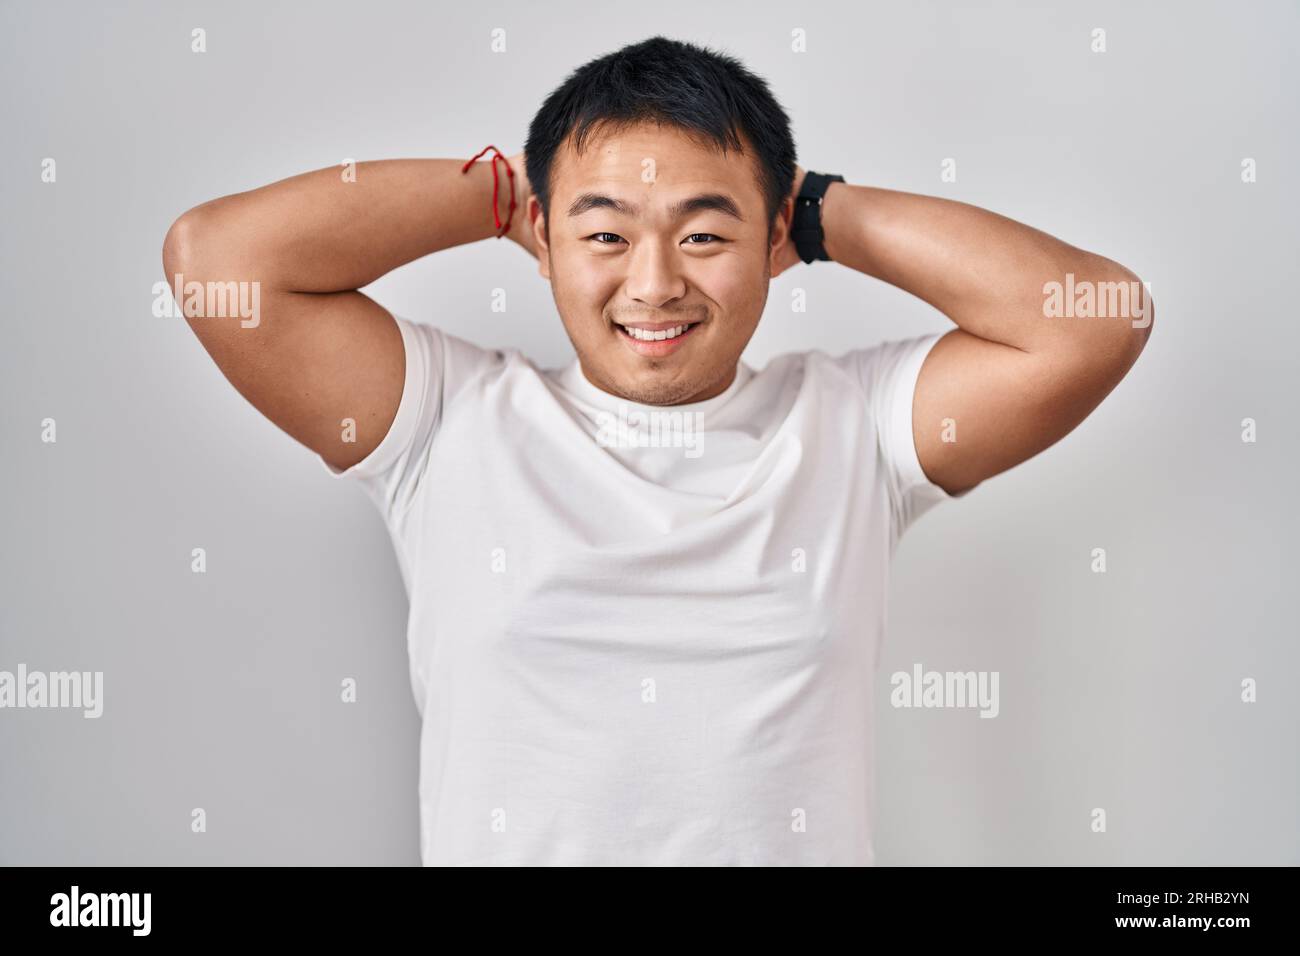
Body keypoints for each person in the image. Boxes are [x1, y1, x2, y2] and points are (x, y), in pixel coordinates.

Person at [161, 36, 1152, 865]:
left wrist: (810, 207)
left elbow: (1091, 321)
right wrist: (504, 197)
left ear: (773, 242)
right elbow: (217, 262)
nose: (654, 283)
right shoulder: (443, 423)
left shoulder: (854, 428)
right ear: (545, 239)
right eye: (604, 236)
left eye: (704, 235)